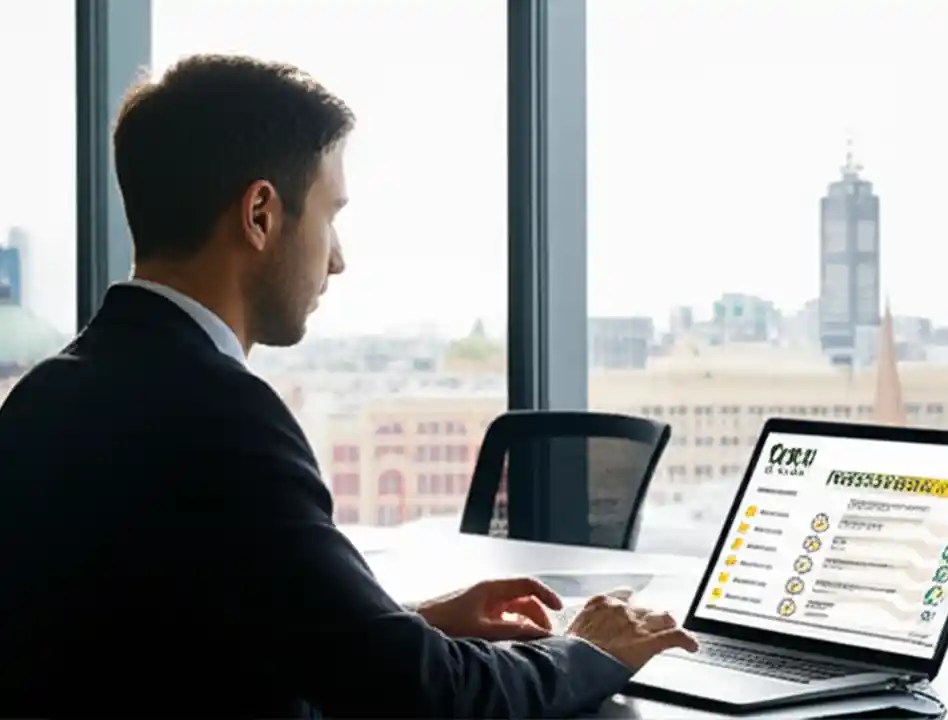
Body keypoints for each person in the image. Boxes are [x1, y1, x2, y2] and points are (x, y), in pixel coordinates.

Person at [0, 54, 696, 717]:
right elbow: (426, 698)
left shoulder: (47, 396)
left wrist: (398, 623)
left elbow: (172, 646)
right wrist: (588, 651)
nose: (338, 259)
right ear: (261, 214)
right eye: (330, 214)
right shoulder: (220, 415)